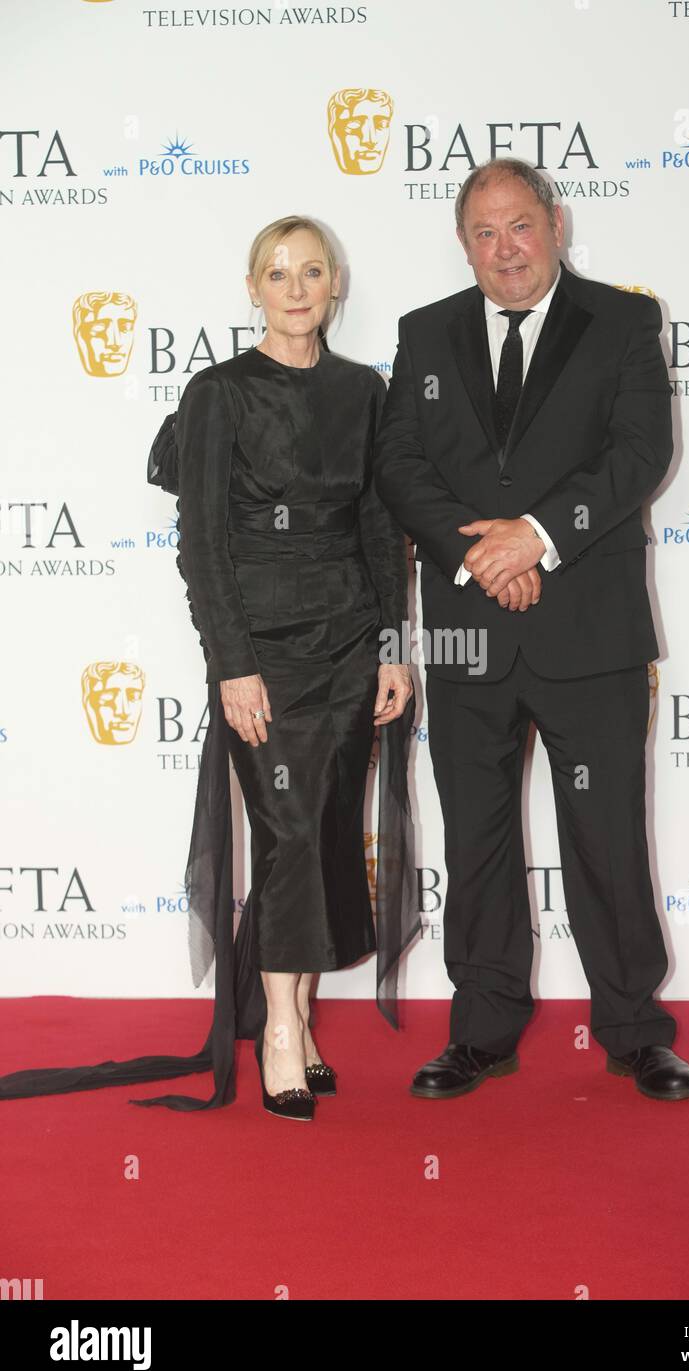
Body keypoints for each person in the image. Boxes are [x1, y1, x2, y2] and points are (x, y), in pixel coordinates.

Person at [0, 216, 419, 1118]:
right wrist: (232, 664)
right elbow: (201, 547)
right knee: (287, 837)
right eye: (279, 273)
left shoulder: (364, 393)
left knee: (330, 830)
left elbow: (384, 532)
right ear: (253, 287)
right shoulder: (219, 393)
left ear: (336, 284)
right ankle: (274, 1028)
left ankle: (302, 1017)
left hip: (349, 640)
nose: (297, 288)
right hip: (261, 646)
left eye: (313, 271)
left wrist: (393, 646)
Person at [374, 158, 689, 1104]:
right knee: (474, 835)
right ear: (463, 243)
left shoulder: (625, 322)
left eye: (520, 226)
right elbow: (398, 463)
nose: (504, 248)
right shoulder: (424, 333)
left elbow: (641, 451)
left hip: (589, 631)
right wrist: (482, 556)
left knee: (605, 832)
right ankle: (481, 1029)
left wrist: (539, 540)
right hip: (468, 630)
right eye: (484, 232)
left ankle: (636, 1030)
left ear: (556, 224)